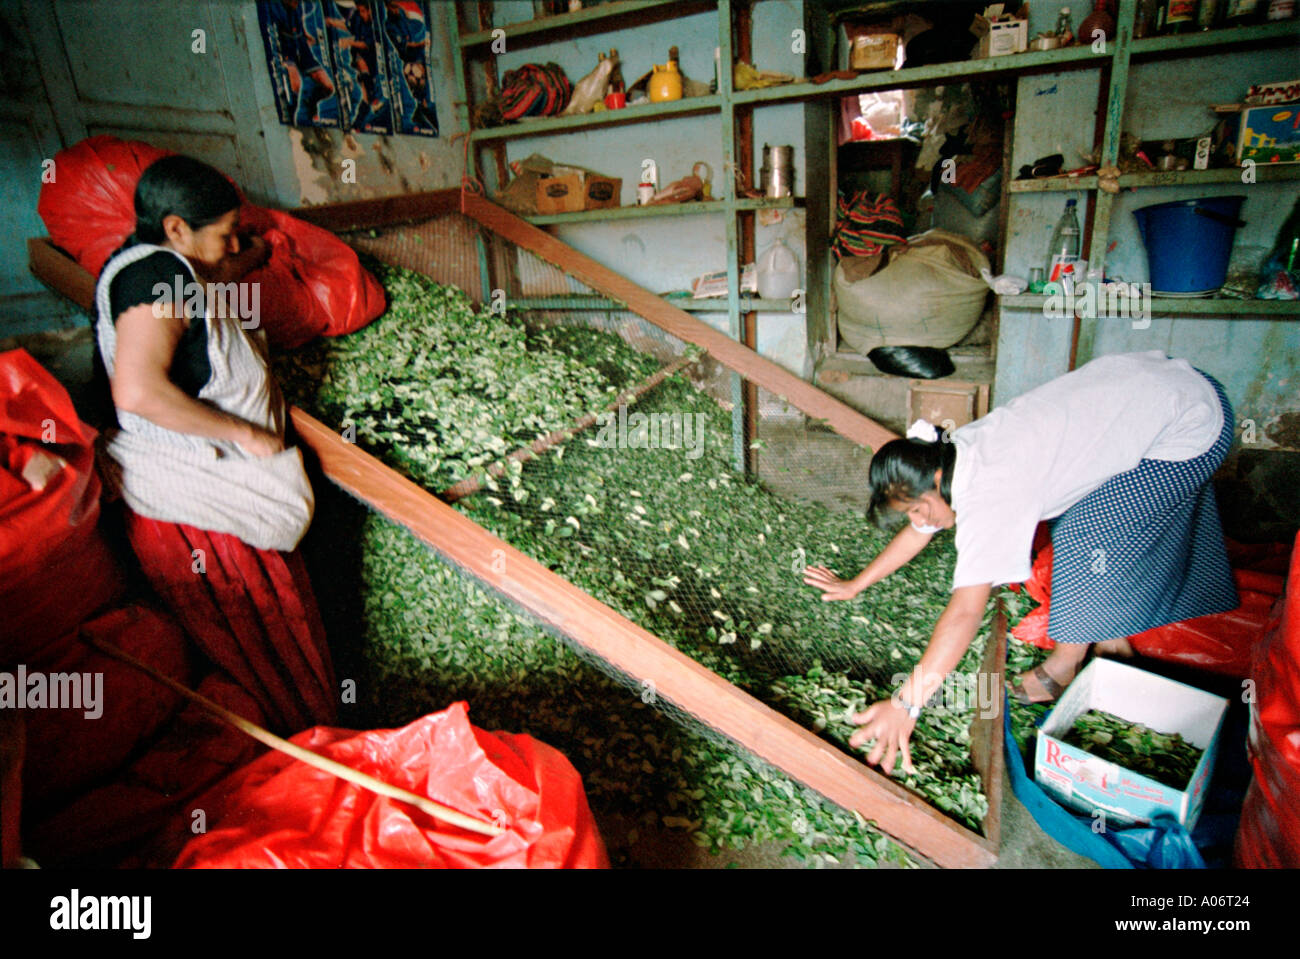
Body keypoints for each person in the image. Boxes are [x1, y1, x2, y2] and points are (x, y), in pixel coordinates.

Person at [804, 351, 1237, 776]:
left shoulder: (992, 494)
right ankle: (1109, 644)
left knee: (1087, 533)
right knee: (1079, 526)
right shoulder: (952, 455)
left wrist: (907, 704)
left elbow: (966, 613)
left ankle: (1063, 668)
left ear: (934, 480)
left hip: (1191, 424)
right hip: (1155, 389)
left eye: (917, 509)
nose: (918, 521)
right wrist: (856, 583)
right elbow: (921, 530)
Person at [94, 154, 336, 733]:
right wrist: (246, 433)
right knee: (264, 651)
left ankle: (309, 744)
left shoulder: (167, 266)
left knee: (277, 647)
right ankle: (300, 758)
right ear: (177, 228)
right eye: (224, 234)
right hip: (204, 507)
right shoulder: (159, 275)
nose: (231, 247)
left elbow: (209, 282)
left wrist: (254, 252)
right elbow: (137, 390)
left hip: (224, 496)